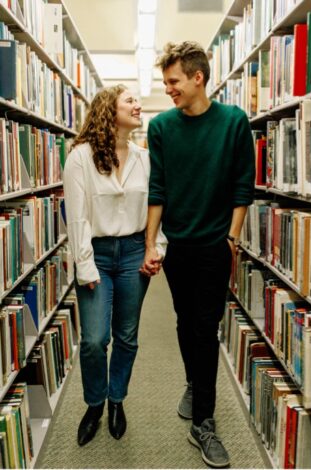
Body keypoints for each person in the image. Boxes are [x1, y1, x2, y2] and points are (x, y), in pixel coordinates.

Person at [145, 41, 254, 468]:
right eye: (165, 82)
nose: (168, 89)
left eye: (172, 81)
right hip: (178, 247)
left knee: (205, 329)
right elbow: (159, 190)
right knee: (185, 321)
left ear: (197, 77)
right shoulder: (161, 128)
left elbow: (243, 185)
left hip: (214, 245)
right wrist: (151, 243)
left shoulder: (233, 122)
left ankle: (203, 424)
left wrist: (231, 237)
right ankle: (194, 381)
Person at [64, 85, 165, 446]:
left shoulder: (144, 156)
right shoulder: (81, 156)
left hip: (135, 252)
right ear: (109, 110)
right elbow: (76, 217)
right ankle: (94, 403)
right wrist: (85, 267)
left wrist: (158, 248)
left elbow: (158, 206)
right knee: (94, 339)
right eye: (130, 101)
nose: (138, 105)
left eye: (137, 101)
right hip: (97, 253)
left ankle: (116, 400)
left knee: (126, 336)